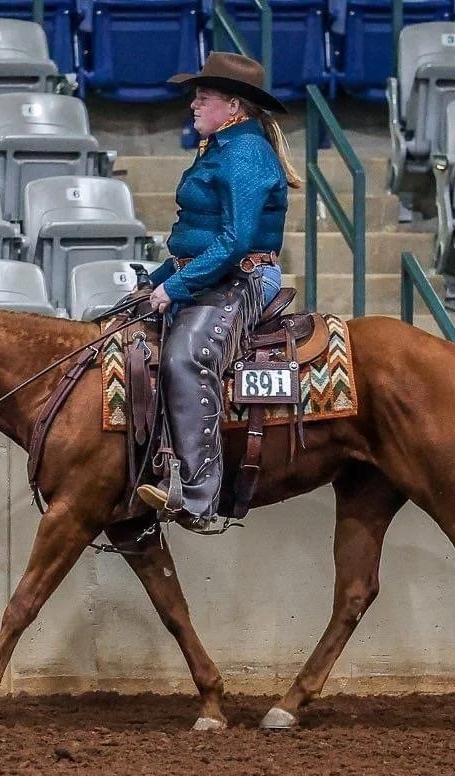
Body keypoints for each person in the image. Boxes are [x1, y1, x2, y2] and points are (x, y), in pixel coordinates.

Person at [136, 51, 301, 531]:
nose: (193, 105)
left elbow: (236, 241)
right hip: (210, 271)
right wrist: (159, 280)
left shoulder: (247, 153)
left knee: (184, 358)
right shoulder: (221, 148)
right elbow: (197, 236)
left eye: (202, 97)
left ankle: (197, 498)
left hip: (242, 277)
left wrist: (178, 286)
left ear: (234, 107)